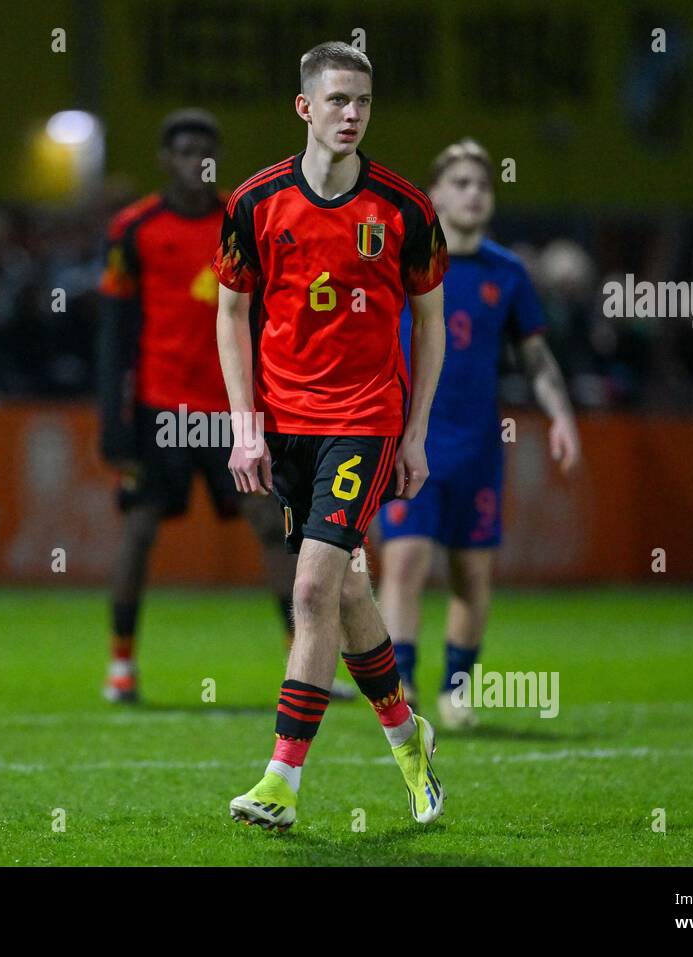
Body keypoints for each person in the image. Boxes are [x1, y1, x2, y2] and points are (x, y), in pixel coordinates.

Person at [215, 42, 449, 830]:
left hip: (365, 420)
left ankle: (281, 780)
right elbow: (231, 312)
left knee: (312, 587)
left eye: (364, 103)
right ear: (304, 107)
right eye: (338, 101)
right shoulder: (254, 203)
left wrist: (415, 435)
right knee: (347, 590)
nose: (352, 115)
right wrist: (246, 428)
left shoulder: (404, 209)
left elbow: (431, 320)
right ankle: (408, 735)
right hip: (286, 430)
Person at [97, 110, 354, 703]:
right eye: (185, 153)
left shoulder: (244, 219)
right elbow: (112, 332)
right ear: (167, 160)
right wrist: (113, 423)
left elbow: (271, 316)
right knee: (138, 531)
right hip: (159, 411)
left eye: (206, 154)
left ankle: (304, 664)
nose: (196, 164)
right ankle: (121, 666)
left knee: (271, 526)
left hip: (231, 412)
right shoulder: (134, 229)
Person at [376, 139, 580, 727]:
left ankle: (457, 689)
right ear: (434, 194)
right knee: (407, 562)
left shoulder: (508, 273)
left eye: (483, 185)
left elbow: (536, 358)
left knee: (472, 573)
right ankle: (404, 682)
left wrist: (561, 414)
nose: (474, 194)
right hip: (410, 440)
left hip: (477, 448)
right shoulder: (402, 263)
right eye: (461, 183)